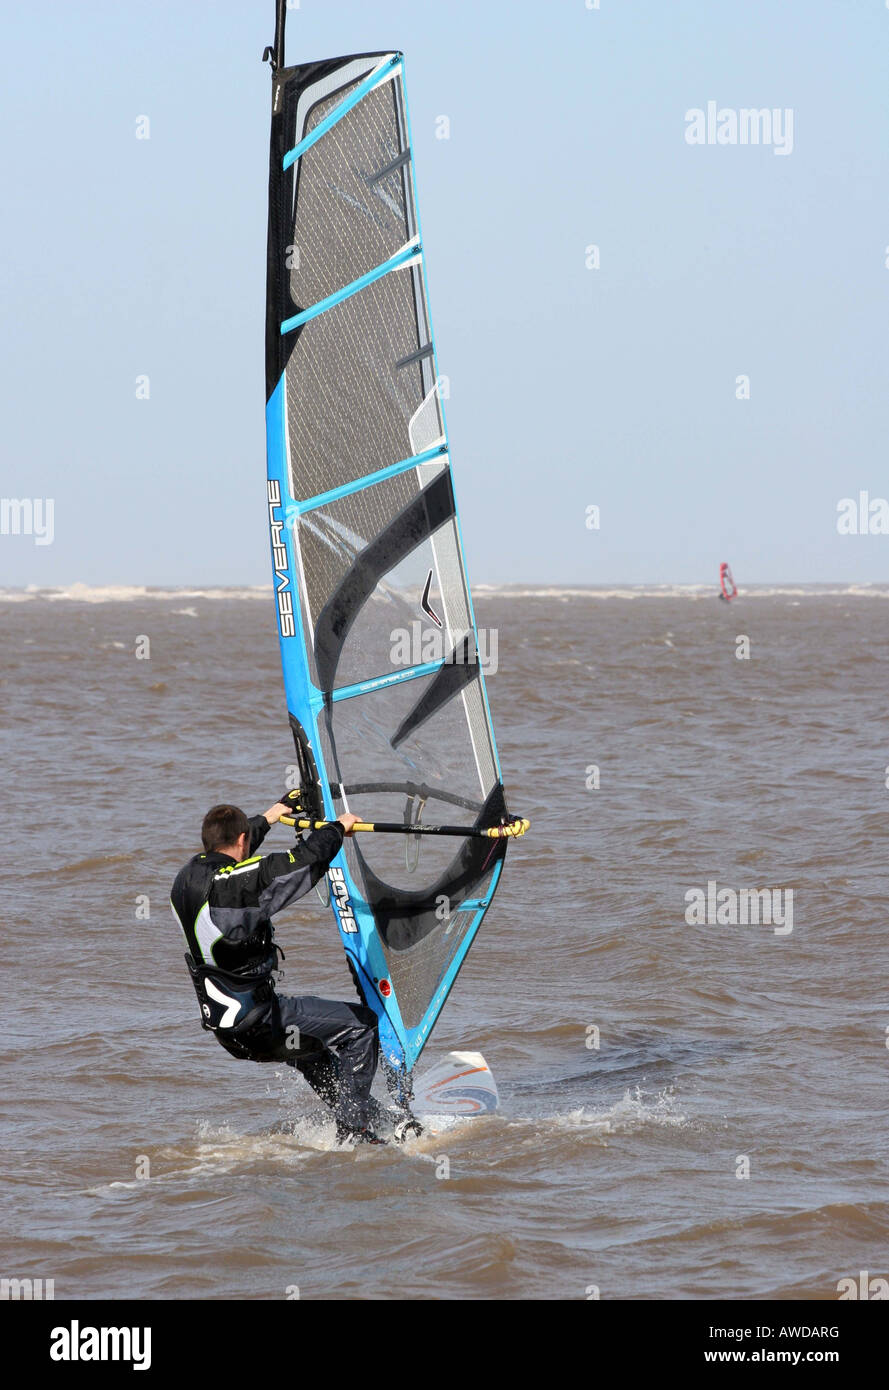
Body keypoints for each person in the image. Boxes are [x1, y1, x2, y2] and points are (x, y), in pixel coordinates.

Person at [171, 796, 387, 1145]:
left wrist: (269, 818)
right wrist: (336, 829)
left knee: (313, 1050)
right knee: (360, 1026)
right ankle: (356, 1133)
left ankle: (363, 1113)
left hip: (230, 1032)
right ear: (241, 841)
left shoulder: (187, 878)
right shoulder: (232, 890)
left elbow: (235, 857)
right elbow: (301, 864)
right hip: (261, 1021)